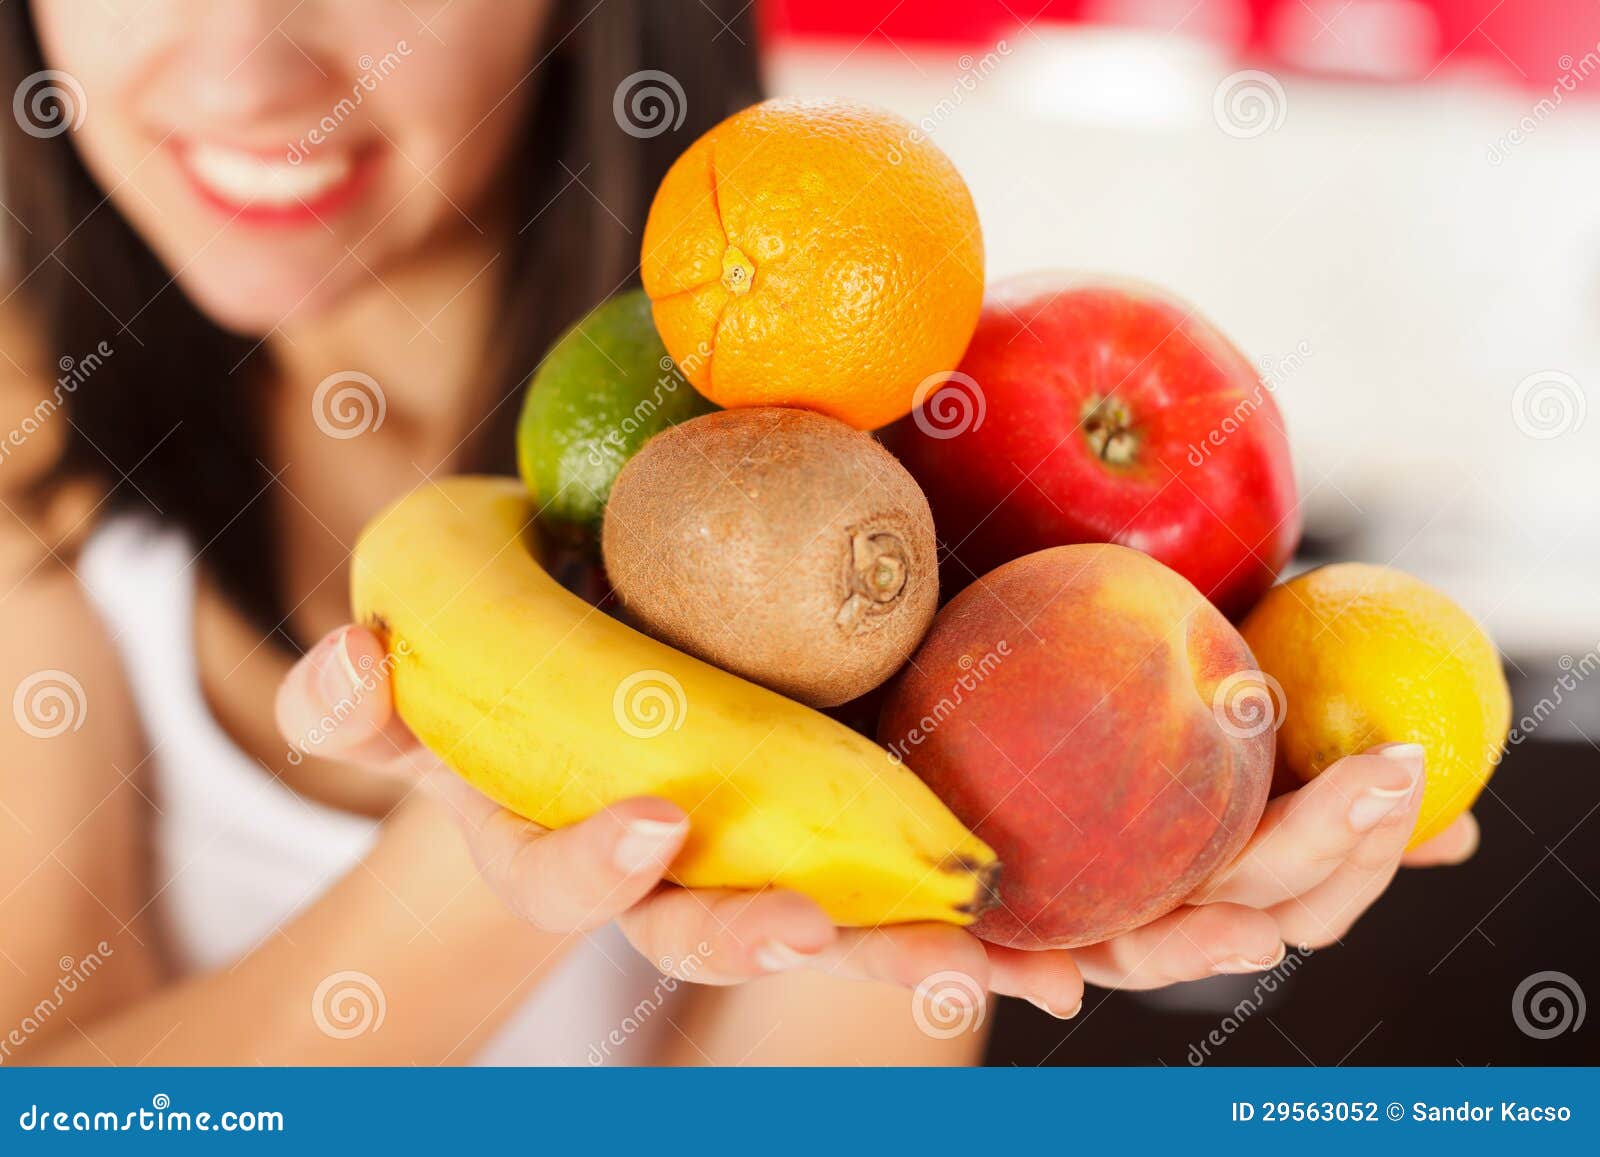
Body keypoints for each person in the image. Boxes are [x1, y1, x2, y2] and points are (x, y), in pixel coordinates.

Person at [0, 0, 1477, 1067]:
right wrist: (507, 825)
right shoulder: (24, 432)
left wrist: (1059, 780)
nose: (245, 65)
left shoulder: (878, 494)